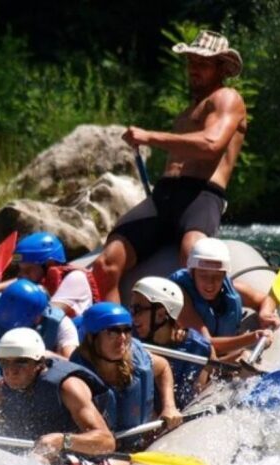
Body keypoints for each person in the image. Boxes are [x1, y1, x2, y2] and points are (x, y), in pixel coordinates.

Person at [92, 30, 248, 303]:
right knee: (106, 264)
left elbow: (212, 143)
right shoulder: (186, 113)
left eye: (202, 63)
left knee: (194, 256)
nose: (193, 69)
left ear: (221, 67)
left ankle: (204, 332)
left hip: (201, 196)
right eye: (191, 62)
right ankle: (114, 332)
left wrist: (150, 137)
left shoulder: (228, 98)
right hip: (163, 197)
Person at [0, 327, 116, 462]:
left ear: (39, 364)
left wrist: (62, 440)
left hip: (83, 460)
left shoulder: (68, 387)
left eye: (21, 362)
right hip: (28, 460)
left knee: (39, 461)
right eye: (5, 363)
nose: (11, 371)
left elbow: (107, 442)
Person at [70, 302, 183, 442]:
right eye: (112, 331)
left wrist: (169, 406)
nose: (122, 338)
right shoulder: (77, 377)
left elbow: (163, 367)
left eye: (127, 330)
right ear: (91, 338)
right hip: (105, 450)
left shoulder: (136, 357)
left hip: (143, 439)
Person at [170, 237, 280, 357]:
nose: (210, 283)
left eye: (217, 276)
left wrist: (264, 313)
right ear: (192, 273)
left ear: (224, 275)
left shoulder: (231, 289)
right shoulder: (179, 296)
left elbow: (265, 299)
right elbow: (205, 344)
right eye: (203, 275)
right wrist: (253, 337)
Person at [130, 276, 215, 409]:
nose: (133, 317)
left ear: (161, 314)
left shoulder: (198, 348)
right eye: (132, 309)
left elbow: (197, 396)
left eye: (137, 309)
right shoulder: (129, 341)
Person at [0, 231, 100, 317]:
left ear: (49, 264)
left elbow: (47, 315)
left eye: (28, 269)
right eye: (20, 269)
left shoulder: (75, 278)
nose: (22, 276)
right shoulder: (33, 279)